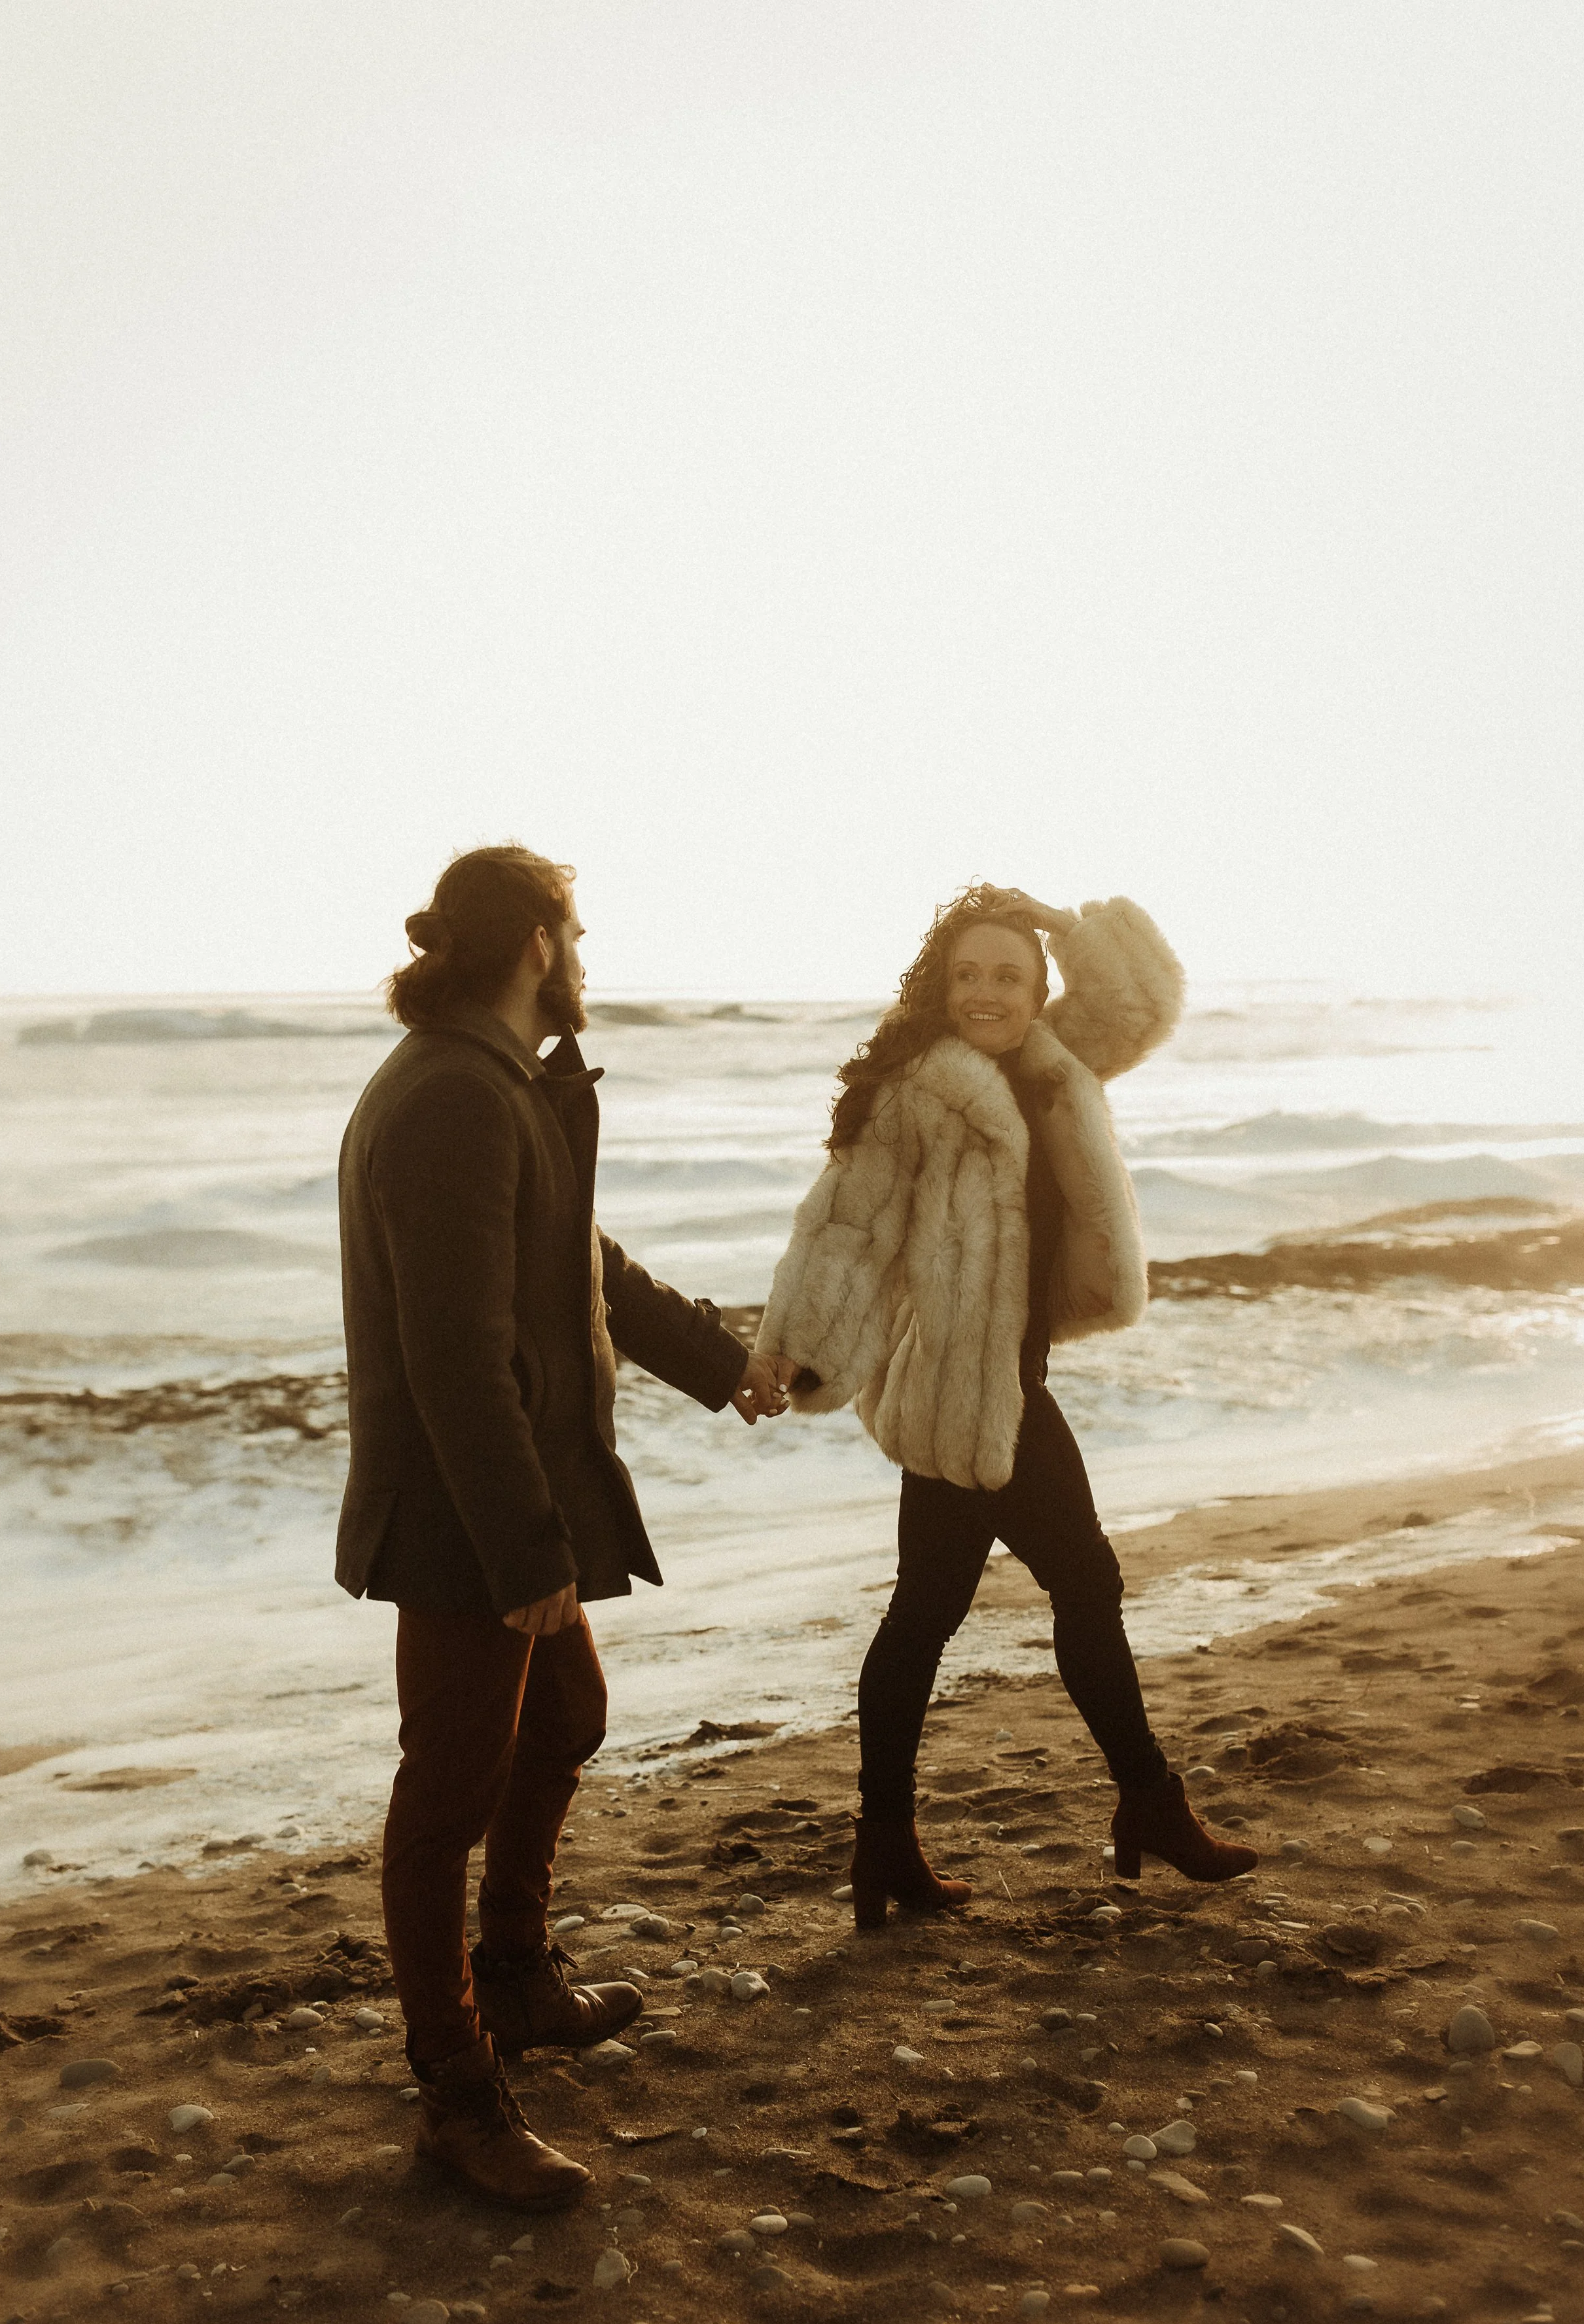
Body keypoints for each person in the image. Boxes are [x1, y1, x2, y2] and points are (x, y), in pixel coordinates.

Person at [336, 843, 784, 2205]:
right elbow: (454, 1358)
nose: (583, 952)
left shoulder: (502, 1086)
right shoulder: (452, 1102)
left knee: (565, 1716)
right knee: (447, 1794)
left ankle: (516, 1976)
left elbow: (580, 1264)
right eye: (575, 928)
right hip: (468, 1515)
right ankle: (457, 2095)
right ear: (537, 939)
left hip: (509, 1493)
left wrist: (727, 1365)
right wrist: (526, 1558)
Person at [759, 884, 1258, 1931]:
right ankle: (1148, 1807)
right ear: (940, 989)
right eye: (968, 974)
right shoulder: (915, 1092)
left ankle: (892, 1845)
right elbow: (844, 1229)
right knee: (1075, 1586)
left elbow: (1139, 1000)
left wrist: (1050, 916)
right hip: (962, 1390)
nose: (987, 993)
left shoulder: (1047, 1061)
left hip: (1009, 1378)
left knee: (931, 1613)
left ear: (1038, 990)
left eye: (1010, 974)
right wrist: (792, 1355)